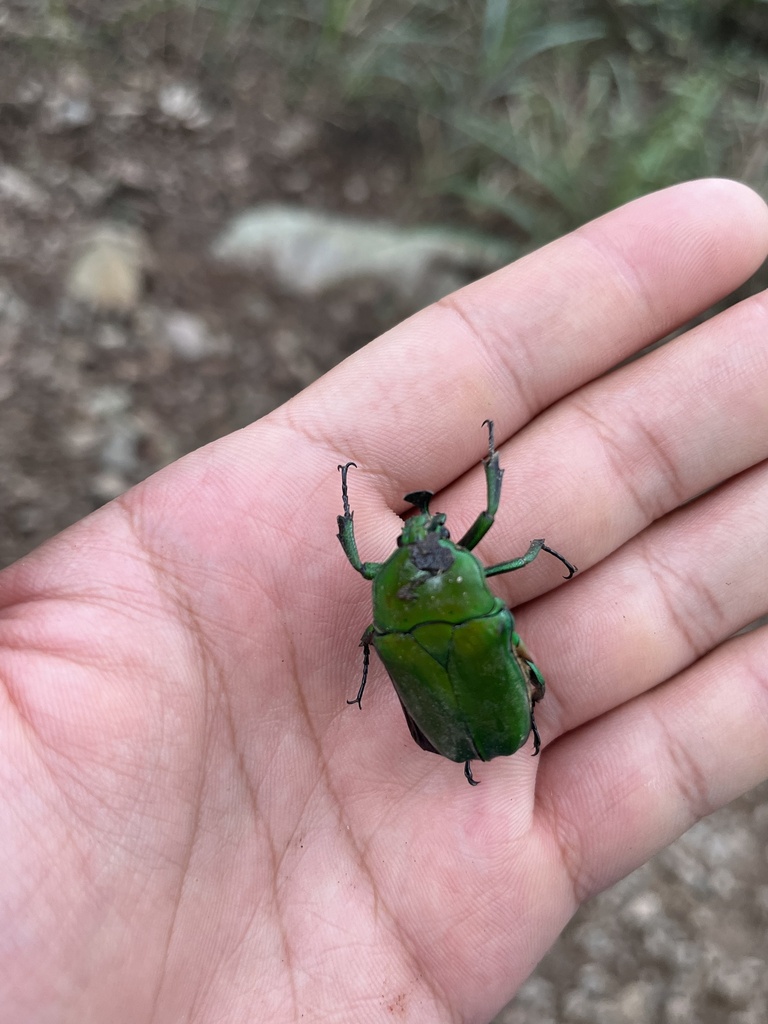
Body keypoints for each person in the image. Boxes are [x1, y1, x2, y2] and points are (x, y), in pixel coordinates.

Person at [2, 179, 767, 1023]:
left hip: (435, 692)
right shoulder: (477, 590)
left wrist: (353, 505)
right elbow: (494, 520)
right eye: (424, 544)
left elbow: (364, 552)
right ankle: (506, 711)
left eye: (424, 544)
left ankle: (482, 716)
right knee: (510, 662)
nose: (427, 542)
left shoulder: (384, 602)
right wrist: (497, 498)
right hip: (476, 688)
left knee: (443, 665)